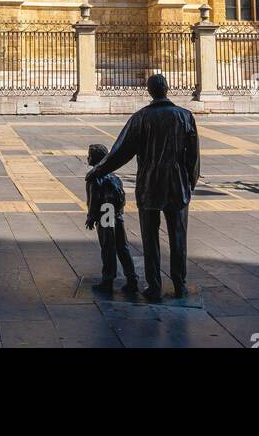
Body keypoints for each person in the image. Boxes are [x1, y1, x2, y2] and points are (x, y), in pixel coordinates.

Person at [86, 72, 199, 302]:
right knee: (178, 236)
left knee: (150, 237)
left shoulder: (141, 118)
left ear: (150, 91)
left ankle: (154, 286)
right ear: (167, 89)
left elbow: (120, 152)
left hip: (149, 184)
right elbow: (194, 158)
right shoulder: (185, 116)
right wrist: (189, 183)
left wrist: (97, 170)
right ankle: (180, 285)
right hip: (177, 185)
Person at [85, 143, 138, 298]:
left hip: (105, 217)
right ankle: (132, 279)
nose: (87, 158)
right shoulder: (114, 177)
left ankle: (108, 280)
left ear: (95, 158)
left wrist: (90, 217)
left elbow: (94, 200)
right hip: (116, 215)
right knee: (123, 248)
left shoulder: (95, 178)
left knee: (108, 248)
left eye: (89, 155)